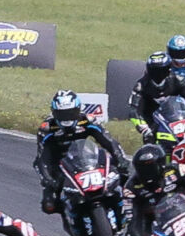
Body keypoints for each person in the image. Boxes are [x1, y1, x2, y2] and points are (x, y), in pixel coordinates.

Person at [34, 89, 131, 219]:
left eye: (70, 113)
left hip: (87, 158)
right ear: (54, 113)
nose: (66, 118)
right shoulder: (47, 128)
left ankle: (125, 202)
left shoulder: (87, 120)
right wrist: (48, 179)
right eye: (62, 114)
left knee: (123, 171)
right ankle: (71, 217)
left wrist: (120, 158)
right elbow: (42, 159)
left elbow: (109, 142)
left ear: (78, 110)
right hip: (59, 164)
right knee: (49, 205)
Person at [128, 50, 185, 134]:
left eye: (161, 70)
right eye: (154, 70)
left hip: (176, 118)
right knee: (149, 138)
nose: (158, 74)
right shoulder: (141, 86)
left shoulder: (178, 80)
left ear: (168, 69)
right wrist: (144, 128)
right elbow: (134, 110)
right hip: (152, 121)